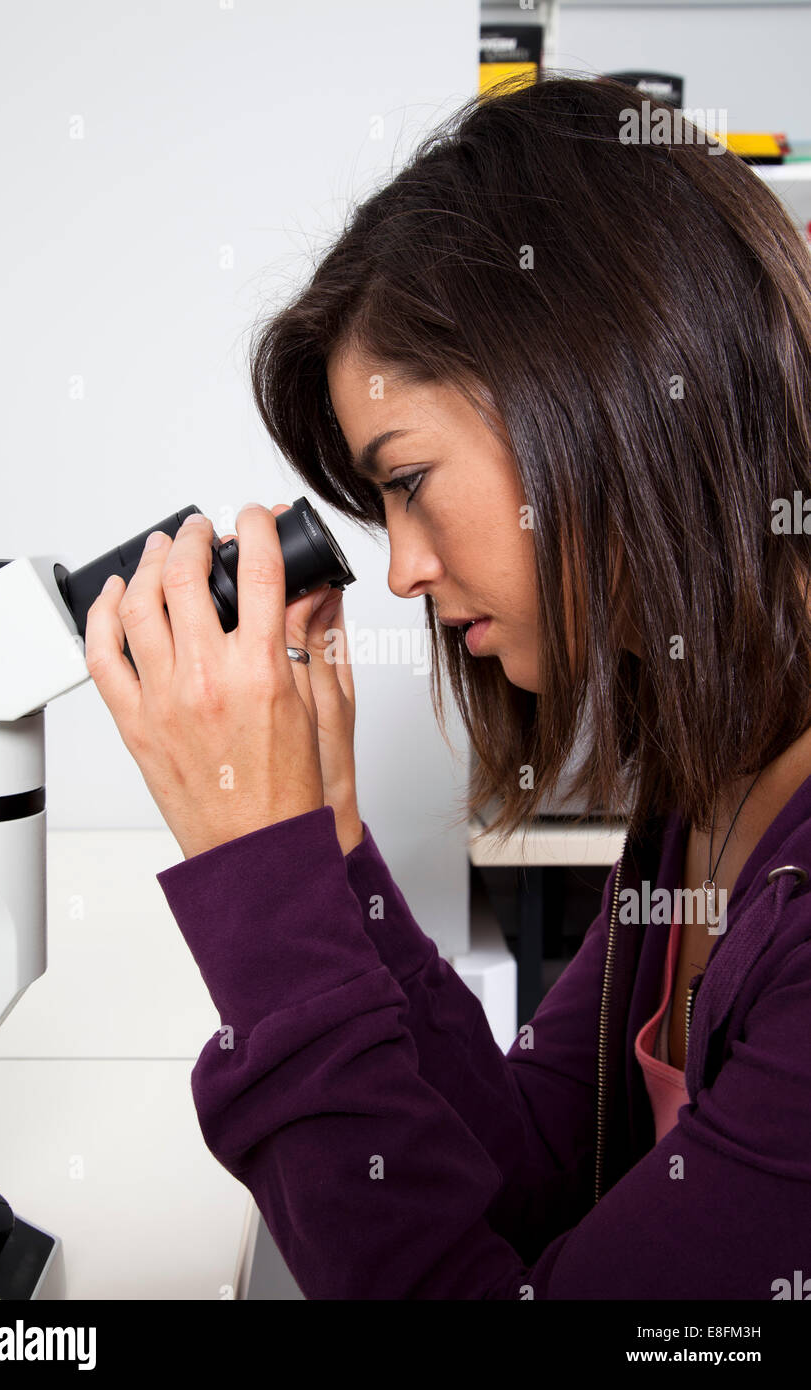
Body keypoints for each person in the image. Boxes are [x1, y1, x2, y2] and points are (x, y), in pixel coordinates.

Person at [85, 75, 811, 1298]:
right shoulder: (718, 776)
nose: (404, 569)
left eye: (409, 481)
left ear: (603, 391)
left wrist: (260, 893)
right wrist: (327, 847)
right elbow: (535, 1167)